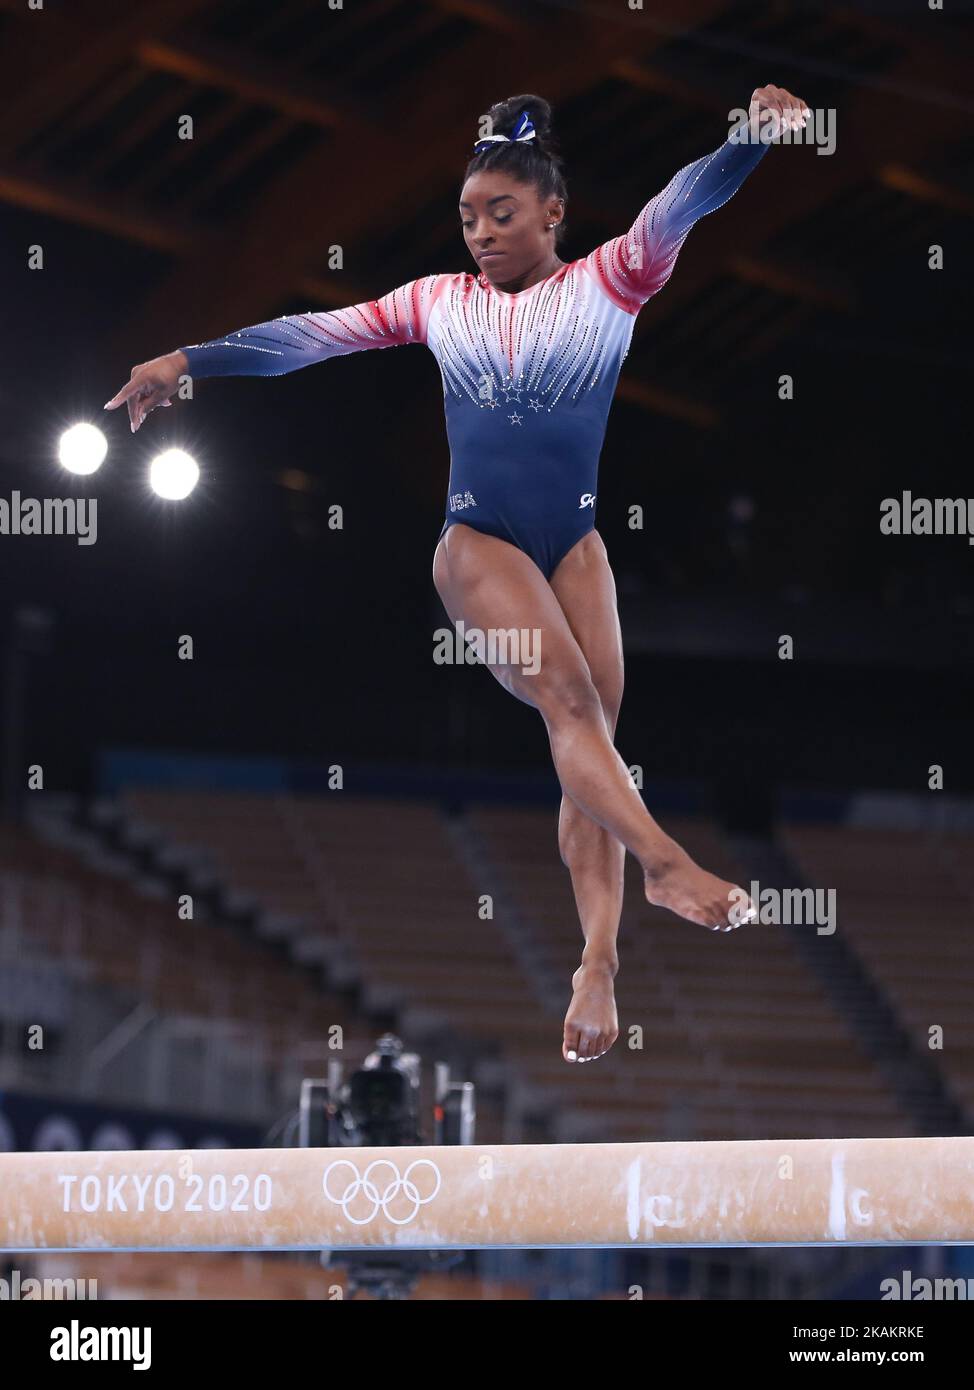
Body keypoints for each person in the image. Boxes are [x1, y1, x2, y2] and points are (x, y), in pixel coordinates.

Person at [106, 86, 809, 1065]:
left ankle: (597, 960)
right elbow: (308, 336)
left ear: (551, 213)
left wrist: (747, 138)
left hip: (573, 546)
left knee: (589, 742)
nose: (479, 233)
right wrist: (191, 358)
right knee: (566, 698)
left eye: (501, 215)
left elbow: (681, 202)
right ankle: (664, 861)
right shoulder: (438, 302)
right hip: (476, 543)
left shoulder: (613, 281)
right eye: (468, 216)